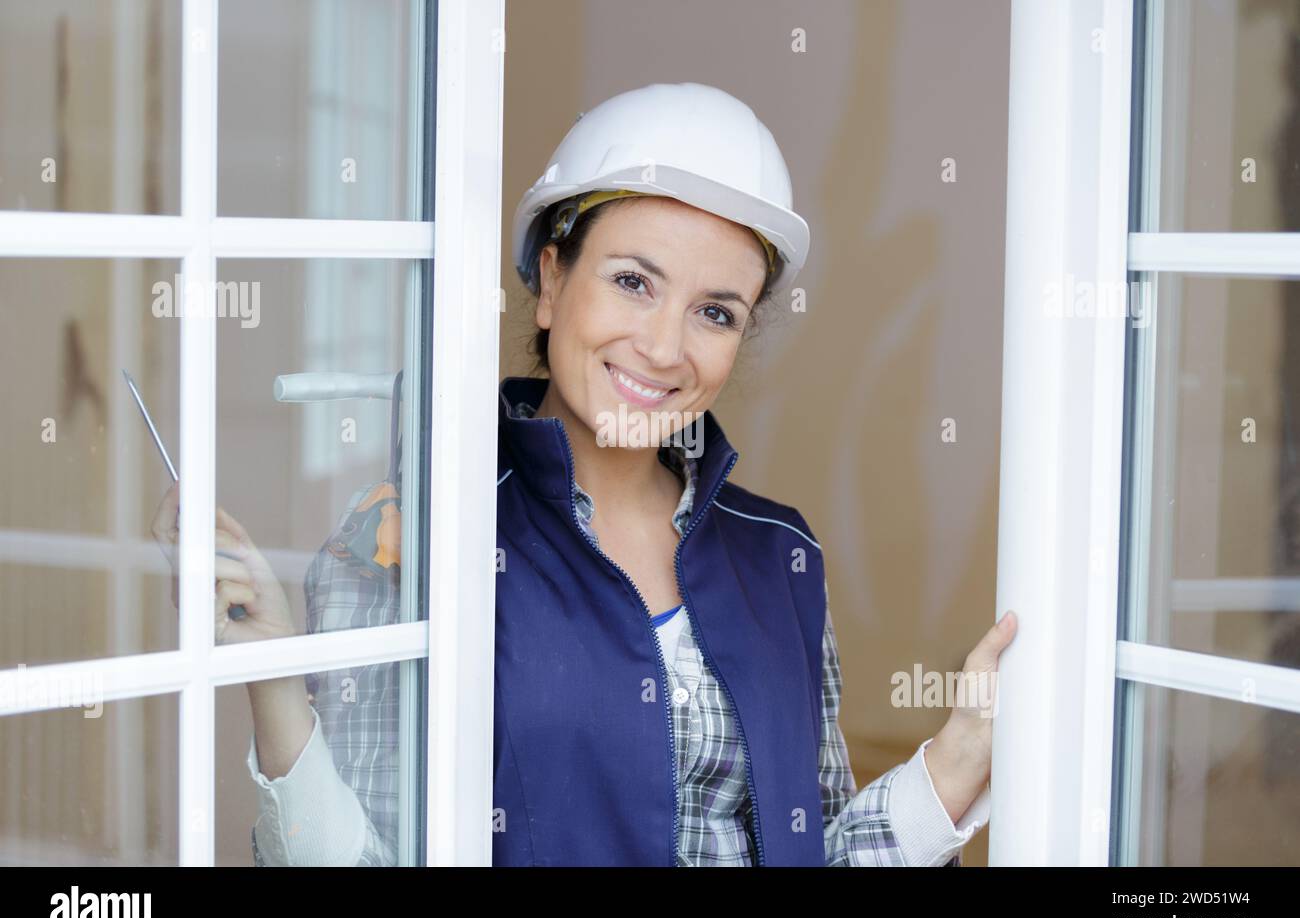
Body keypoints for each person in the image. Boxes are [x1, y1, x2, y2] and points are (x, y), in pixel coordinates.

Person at [153, 81, 1017, 866]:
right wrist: (273, 674)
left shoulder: (779, 552)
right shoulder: (415, 530)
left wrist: (959, 757)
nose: (665, 347)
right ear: (552, 281)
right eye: (634, 281)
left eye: (714, 312)